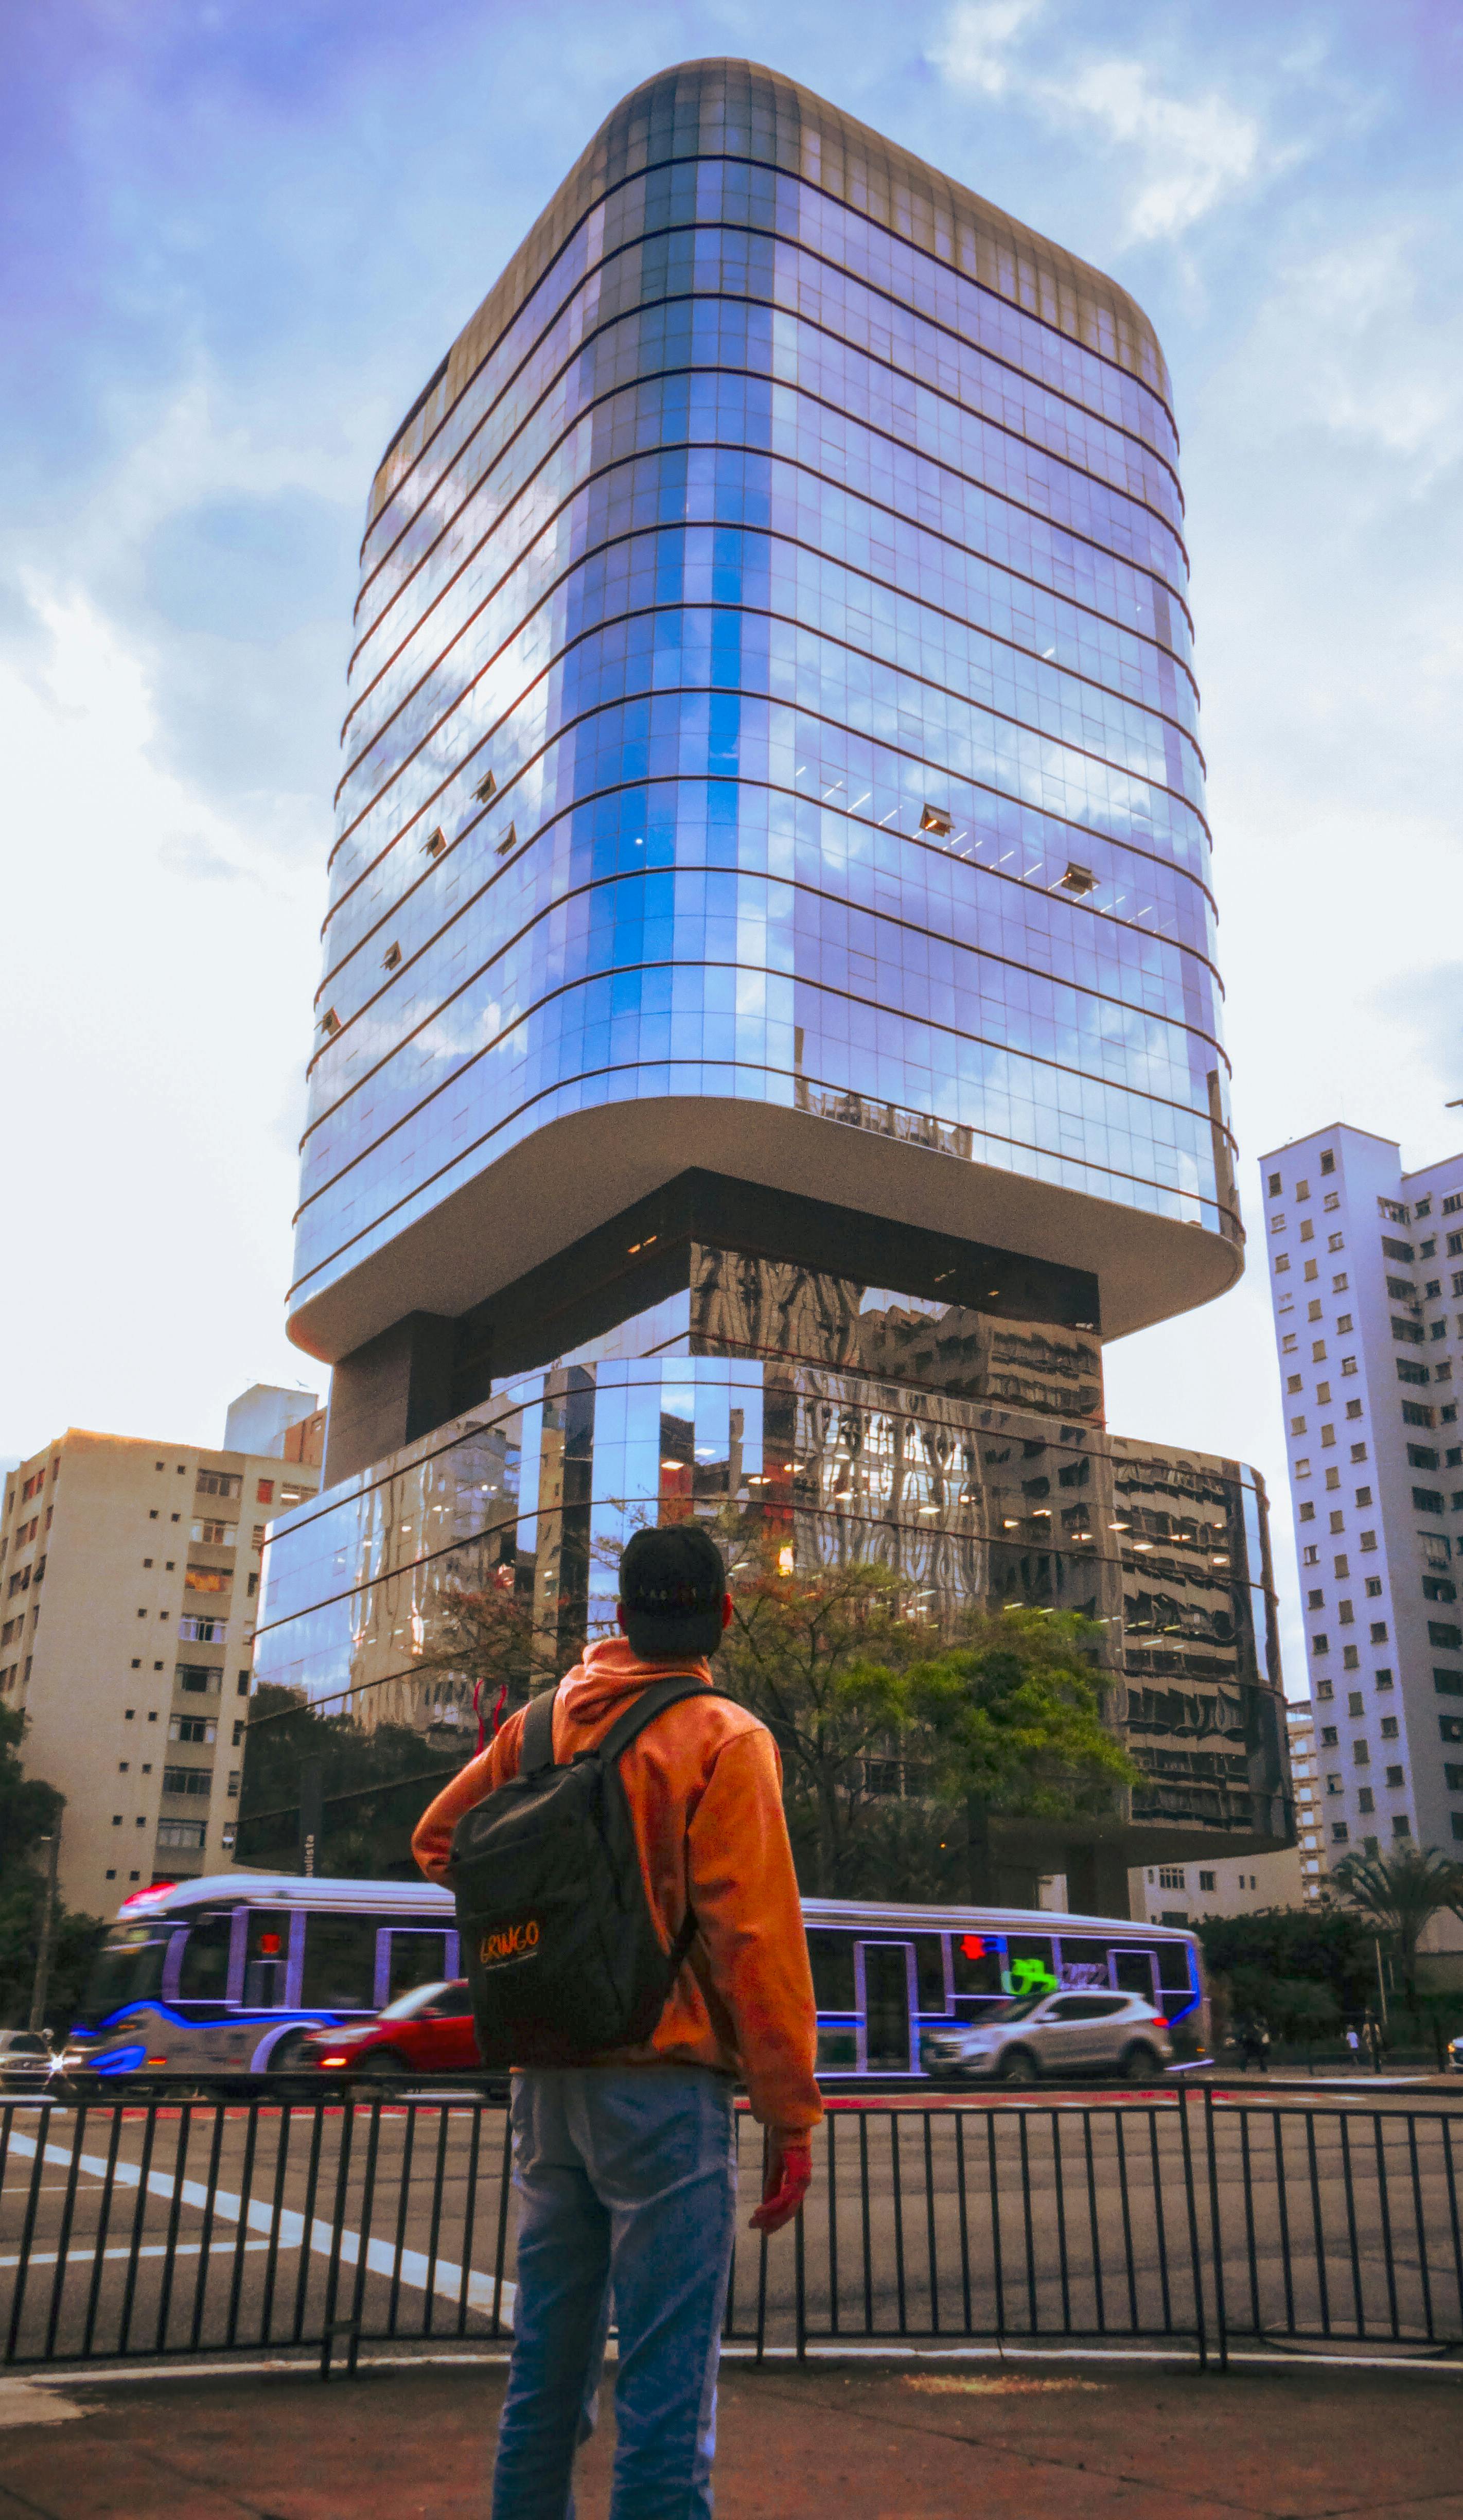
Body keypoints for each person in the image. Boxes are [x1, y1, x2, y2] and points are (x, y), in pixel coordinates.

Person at [412, 1522, 822, 2520]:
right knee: (665, 2402)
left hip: (544, 2085)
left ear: (620, 1619)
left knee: (543, 2382)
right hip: (664, 2089)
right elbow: (753, 1941)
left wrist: (541, 1924)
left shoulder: (541, 1728)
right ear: (722, 1615)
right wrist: (790, 2113)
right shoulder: (726, 1738)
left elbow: (438, 1840)